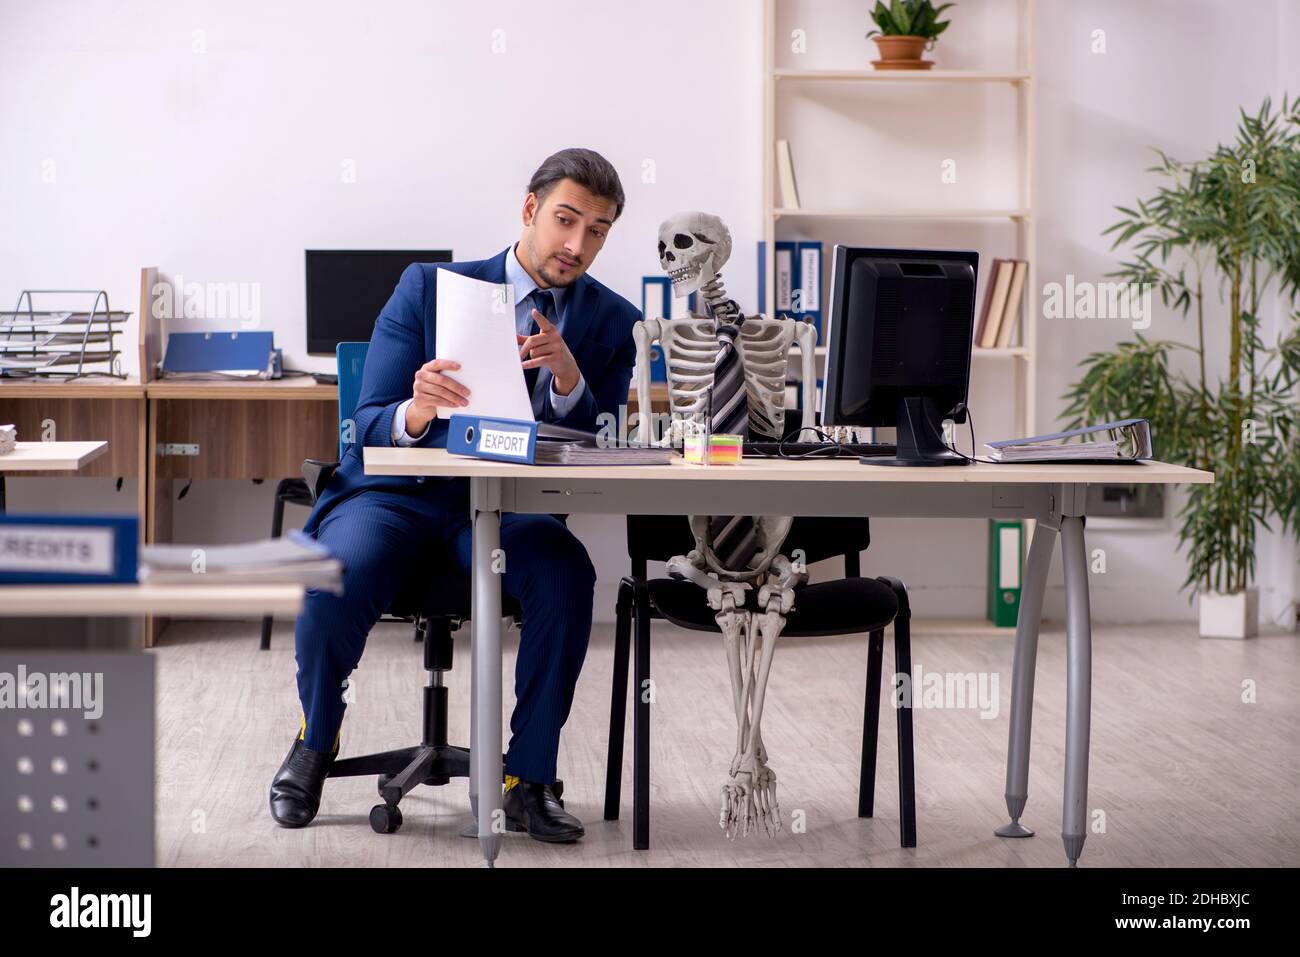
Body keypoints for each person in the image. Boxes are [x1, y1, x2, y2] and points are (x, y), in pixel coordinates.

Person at [270, 147, 638, 842]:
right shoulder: (428, 287)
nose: (576, 245)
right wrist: (416, 408)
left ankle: (528, 779)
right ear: (529, 210)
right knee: (331, 575)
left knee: (566, 573)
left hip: (507, 508)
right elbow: (368, 417)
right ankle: (315, 739)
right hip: (398, 495)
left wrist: (569, 383)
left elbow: (606, 441)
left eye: (597, 231)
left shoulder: (610, 321)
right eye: (565, 220)